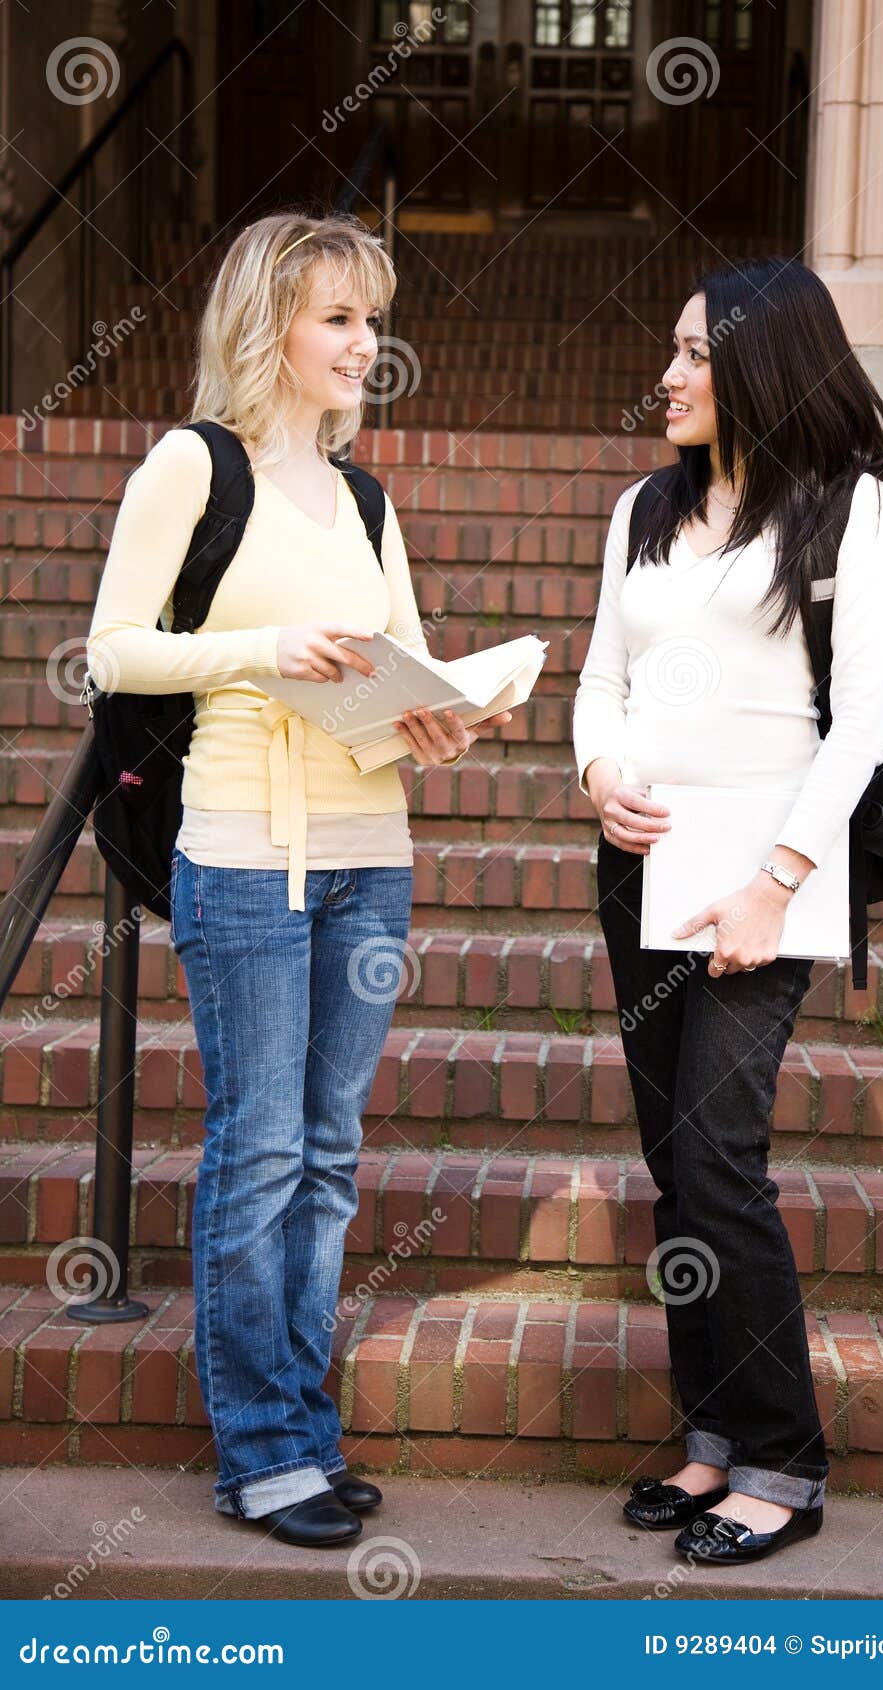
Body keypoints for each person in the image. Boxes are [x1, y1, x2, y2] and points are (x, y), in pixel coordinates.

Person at [86, 211, 510, 1548]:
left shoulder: (366, 498)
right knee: (260, 1149)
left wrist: (442, 718)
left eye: (372, 319)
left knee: (327, 1156)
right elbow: (114, 651)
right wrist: (265, 649)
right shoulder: (190, 465)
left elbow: (401, 667)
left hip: (368, 857)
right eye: (339, 317)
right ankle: (263, 1450)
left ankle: (303, 1430)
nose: (365, 342)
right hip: (242, 853)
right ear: (268, 325)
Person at [573, 257, 883, 1566]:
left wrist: (776, 884)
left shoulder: (849, 506)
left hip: (765, 881)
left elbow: (861, 721)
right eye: (671, 350)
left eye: (696, 354)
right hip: (642, 871)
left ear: (767, 364)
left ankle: (784, 1459)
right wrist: (600, 773)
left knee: (719, 1157)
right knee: (677, 1166)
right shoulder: (644, 509)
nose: (668, 375)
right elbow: (601, 679)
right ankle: (712, 1435)